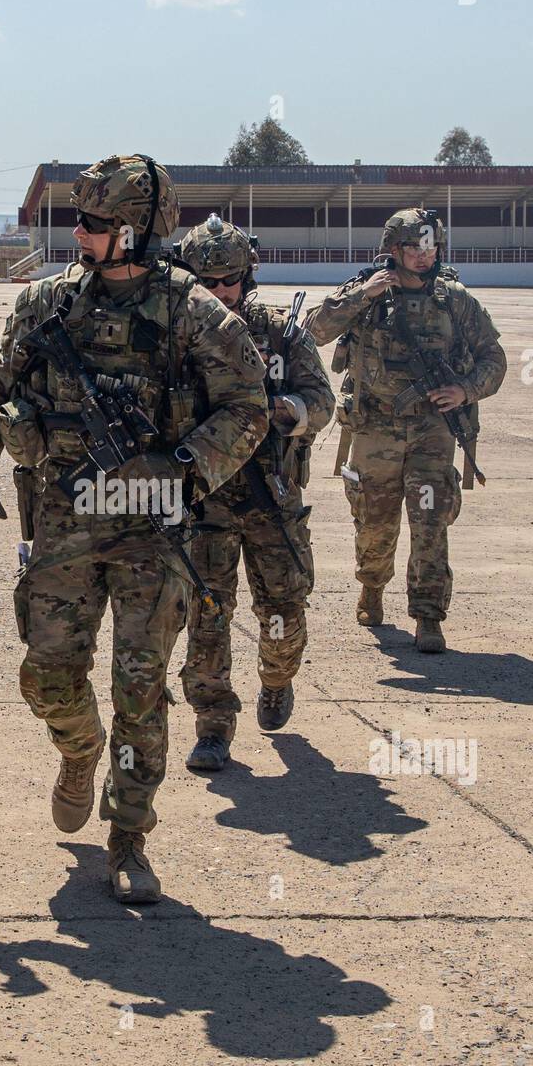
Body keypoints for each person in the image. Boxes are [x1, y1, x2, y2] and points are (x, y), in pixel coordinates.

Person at [0, 154, 268, 903]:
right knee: (46, 675)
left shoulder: (192, 313)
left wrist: (182, 468)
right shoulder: (48, 304)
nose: (80, 232)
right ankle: (77, 748)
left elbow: (249, 406)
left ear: (133, 232)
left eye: (96, 223)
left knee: (140, 689)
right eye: (80, 218)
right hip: (63, 522)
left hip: (150, 536)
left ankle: (128, 836)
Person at [305, 208, 505, 652]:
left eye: (430, 246)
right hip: (375, 428)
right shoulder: (365, 293)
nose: (424, 255)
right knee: (374, 521)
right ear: (392, 250)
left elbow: (494, 358)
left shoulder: (456, 300)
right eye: (414, 246)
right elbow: (313, 332)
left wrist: (465, 391)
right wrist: (361, 296)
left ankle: (428, 616)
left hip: (432, 430)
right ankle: (372, 587)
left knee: (430, 520)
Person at [176, 215, 332, 770]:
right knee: (208, 620)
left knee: (283, 618)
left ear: (248, 277)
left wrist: (294, 412)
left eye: (230, 281)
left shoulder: (282, 333)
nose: (220, 292)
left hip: (273, 500)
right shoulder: (176, 335)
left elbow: (323, 399)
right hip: (204, 505)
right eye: (208, 282)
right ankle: (212, 725)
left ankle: (276, 678)